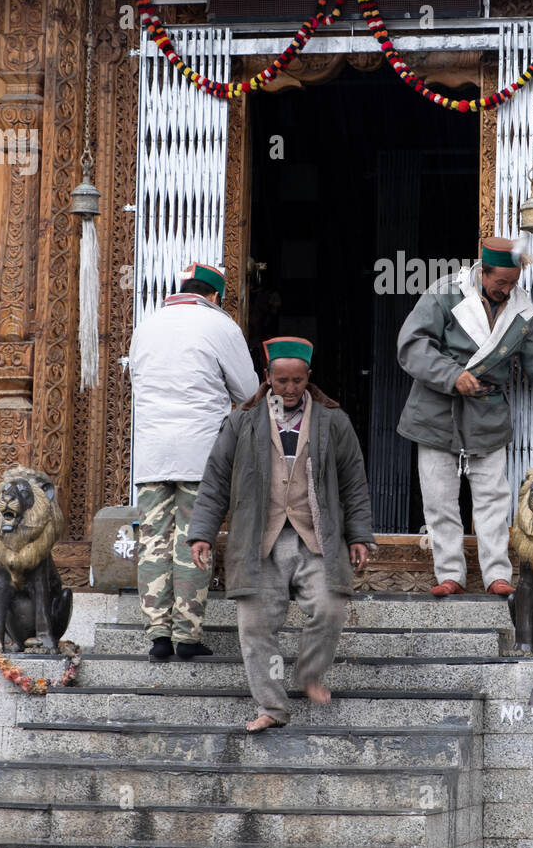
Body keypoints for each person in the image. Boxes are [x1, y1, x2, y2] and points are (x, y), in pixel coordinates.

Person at [397, 237, 533, 597]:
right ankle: (450, 575)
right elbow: (413, 346)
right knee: (439, 501)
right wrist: (452, 376)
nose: (507, 289)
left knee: (494, 500)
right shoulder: (444, 293)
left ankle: (497, 575)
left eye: (513, 282)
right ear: (482, 272)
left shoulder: (521, 312)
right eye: (501, 282)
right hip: (435, 414)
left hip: (486, 416)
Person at [187, 337, 375, 732]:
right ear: (267, 377)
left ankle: (308, 674)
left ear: (309, 377)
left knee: (330, 608)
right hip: (259, 541)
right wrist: (202, 532)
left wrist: (359, 535)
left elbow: (354, 482)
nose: (290, 389)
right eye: (281, 380)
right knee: (255, 626)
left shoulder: (332, 420)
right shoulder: (242, 420)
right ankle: (272, 707)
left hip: (316, 538)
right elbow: (216, 480)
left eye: (297, 381)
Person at [128, 263, 259, 662]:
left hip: (151, 452)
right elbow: (249, 391)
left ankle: (158, 637)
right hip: (200, 452)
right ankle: (187, 638)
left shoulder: (147, 325)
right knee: (193, 541)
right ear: (215, 295)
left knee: (152, 542)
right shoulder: (220, 326)